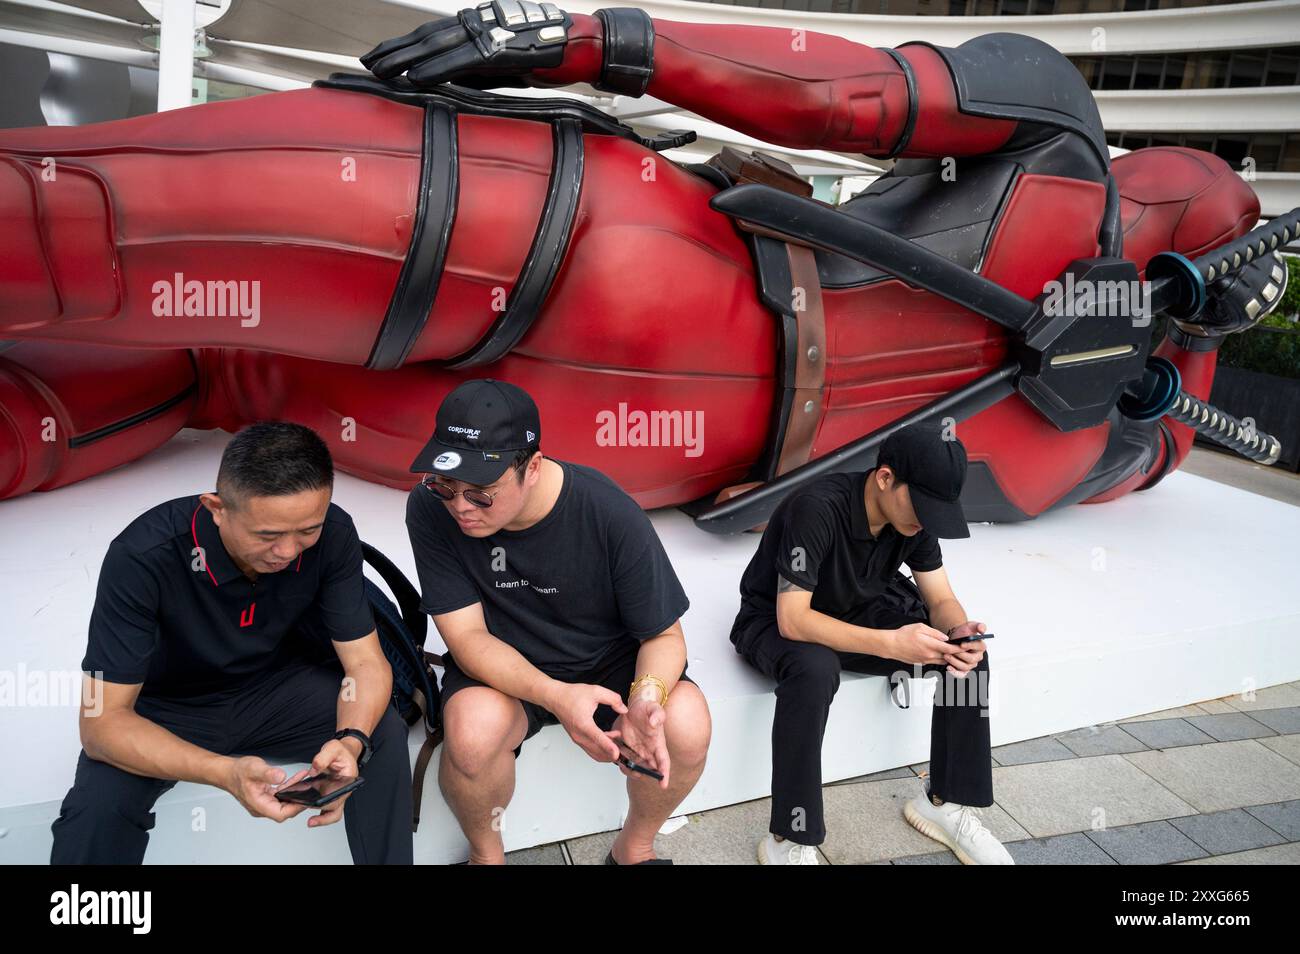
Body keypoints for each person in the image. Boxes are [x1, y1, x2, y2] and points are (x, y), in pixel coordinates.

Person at [50, 422, 413, 864]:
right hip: (166, 708)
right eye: (267, 535)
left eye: (306, 531)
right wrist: (225, 773)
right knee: (96, 810)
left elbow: (366, 666)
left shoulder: (334, 533)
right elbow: (102, 725)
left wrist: (350, 741)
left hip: (274, 690)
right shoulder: (143, 556)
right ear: (216, 508)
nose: (288, 551)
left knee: (382, 730)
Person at [405, 379, 711, 865]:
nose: (460, 505)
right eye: (445, 484)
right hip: (503, 665)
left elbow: (663, 635)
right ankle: (487, 856)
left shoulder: (608, 512)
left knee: (686, 724)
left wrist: (645, 698)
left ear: (533, 467)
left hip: (605, 661)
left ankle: (635, 849)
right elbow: (466, 637)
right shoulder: (429, 508)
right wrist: (556, 696)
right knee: (471, 735)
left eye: (482, 492)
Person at [729, 421, 1012, 865]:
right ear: (884, 478)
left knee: (968, 661)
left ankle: (943, 805)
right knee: (815, 669)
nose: (924, 520)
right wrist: (892, 646)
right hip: (776, 619)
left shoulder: (916, 521)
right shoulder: (816, 508)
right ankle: (791, 836)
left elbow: (940, 597)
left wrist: (959, 631)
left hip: (860, 610)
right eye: (920, 505)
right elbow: (793, 618)